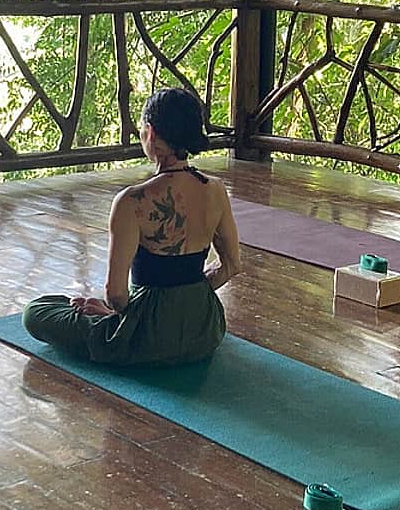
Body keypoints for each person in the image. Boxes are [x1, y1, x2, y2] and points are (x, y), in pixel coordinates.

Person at [22, 88, 240, 366]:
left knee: (37, 311)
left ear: (150, 132)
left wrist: (109, 312)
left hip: (147, 338)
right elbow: (232, 264)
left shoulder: (131, 201)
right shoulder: (216, 190)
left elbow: (115, 294)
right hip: (205, 331)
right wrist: (190, 295)